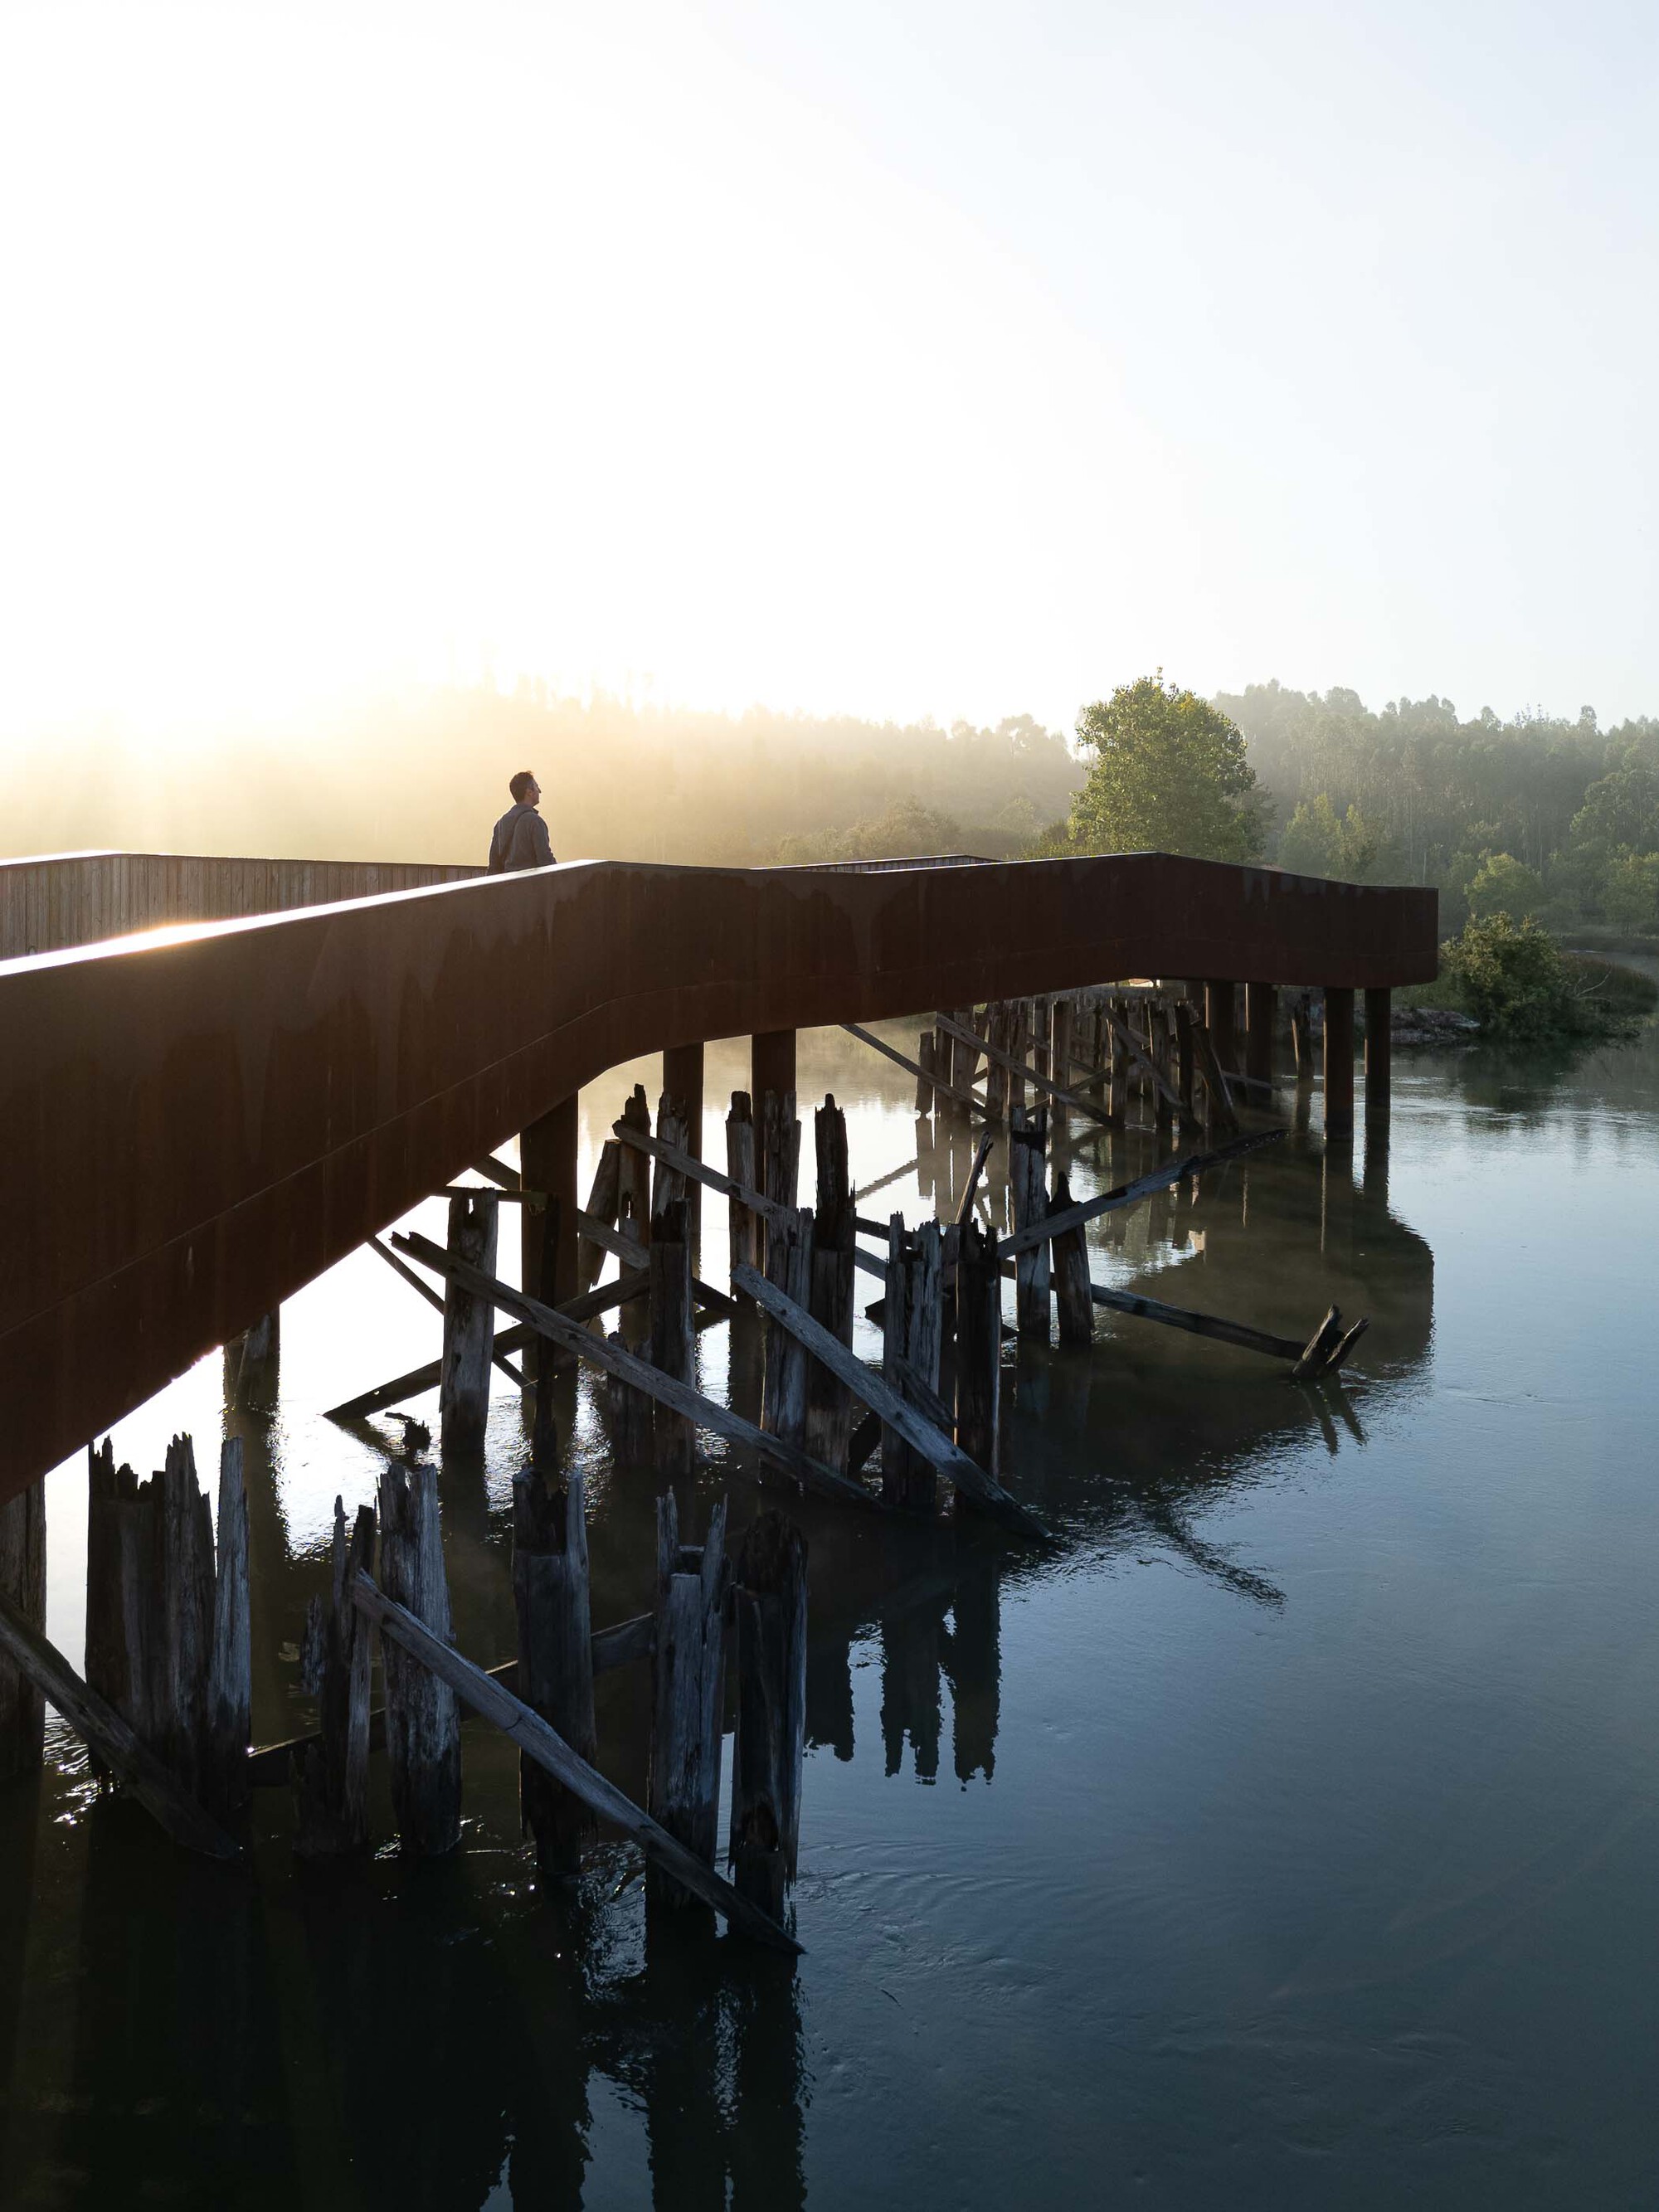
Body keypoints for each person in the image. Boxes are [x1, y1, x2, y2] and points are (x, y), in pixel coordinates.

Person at [487, 771, 556, 873]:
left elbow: (494, 865)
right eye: (537, 787)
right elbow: (546, 861)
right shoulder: (535, 822)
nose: (540, 791)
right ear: (529, 792)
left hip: (507, 886)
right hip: (530, 886)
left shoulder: (500, 824)